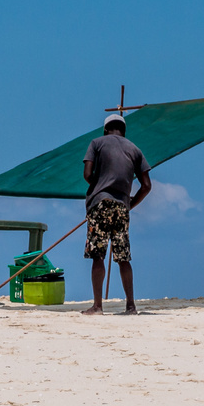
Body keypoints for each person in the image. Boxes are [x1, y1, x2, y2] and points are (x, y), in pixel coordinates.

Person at [81, 113, 151, 315]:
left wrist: (99, 190)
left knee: (98, 255)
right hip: (122, 207)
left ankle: (97, 307)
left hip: (100, 204)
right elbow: (146, 186)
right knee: (123, 257)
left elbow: (87, 174)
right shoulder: (135, 149)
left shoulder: (96, 143)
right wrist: (129, 203)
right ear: (124, 131)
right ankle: (130, 306)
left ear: (105, 129)